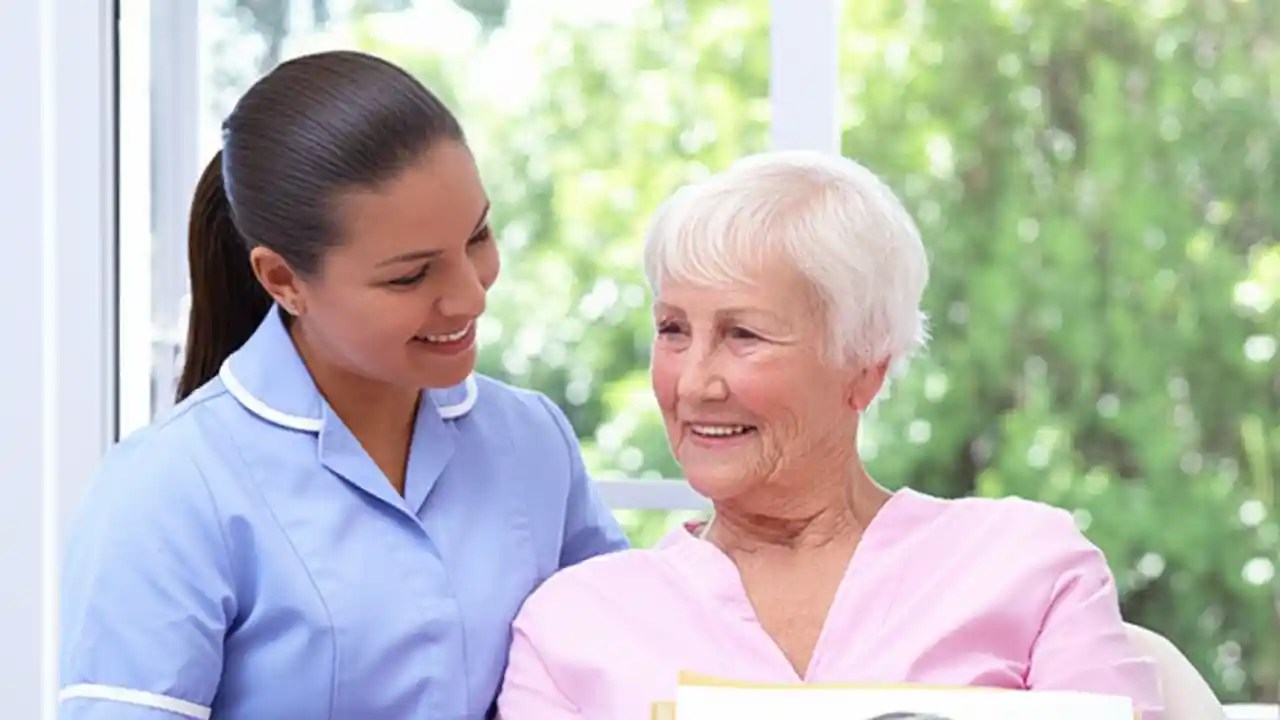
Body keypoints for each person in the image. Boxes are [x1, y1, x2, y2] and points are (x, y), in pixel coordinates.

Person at [59, 50, 627, 719]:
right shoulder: (170, 487)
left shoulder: (531, 440)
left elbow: (624, 664)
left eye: (477, 237)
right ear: (282, 280)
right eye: (411, 276)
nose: (471, 297)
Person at [496, 151, 1165, 718]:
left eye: (743, 335)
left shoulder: (1028, 566)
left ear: (865, 371)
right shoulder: (572, 625)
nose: (694, 383)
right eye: (673, 330)